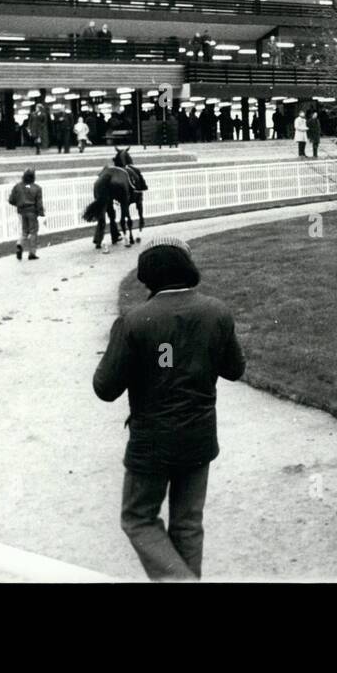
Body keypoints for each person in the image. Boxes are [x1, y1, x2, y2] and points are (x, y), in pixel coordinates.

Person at [93, 237, 246, 580]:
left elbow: (105, 389)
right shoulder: (216, 312)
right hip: (199, 436)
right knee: (188, 524)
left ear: (146, 275)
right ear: (187, 268)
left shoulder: (134, 321)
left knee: (138, 518)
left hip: (151, 442)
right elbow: (235, 370)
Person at [7, 167, 44, 260]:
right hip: (32, 211)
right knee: (33, 232)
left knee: (24, 231)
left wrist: (18, 204)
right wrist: (41, 212)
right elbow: (39, 203)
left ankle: (19, 244)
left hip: (22, 211)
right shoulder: (37, 188)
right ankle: (32, 253)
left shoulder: (17, 186)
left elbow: (11, 200)